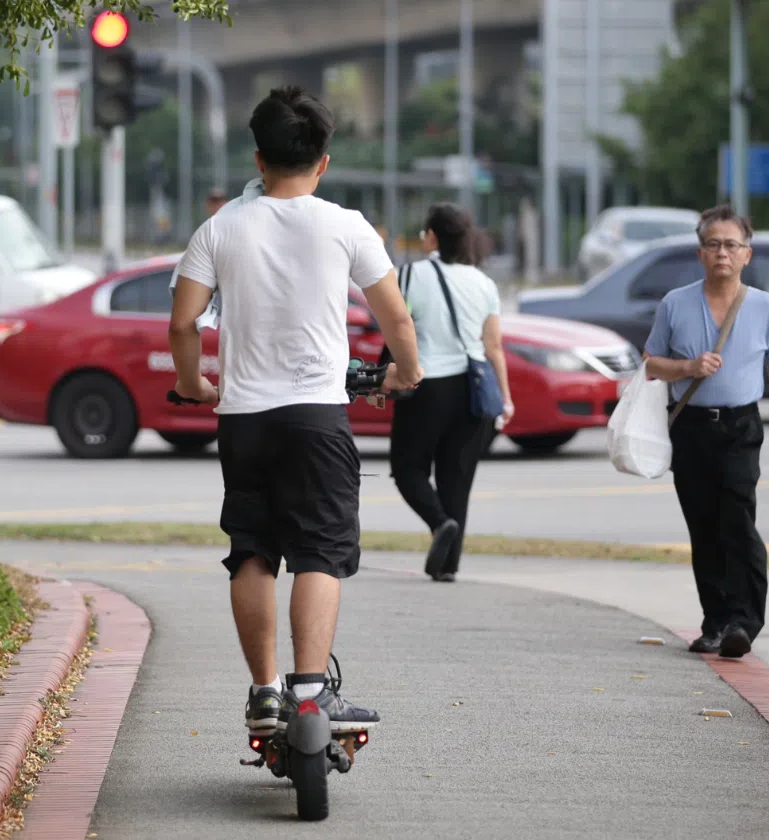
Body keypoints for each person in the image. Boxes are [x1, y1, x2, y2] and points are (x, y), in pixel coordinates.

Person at [168, 85, 424, 736]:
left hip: (243, 417)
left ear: (259, 160)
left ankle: (264, 692)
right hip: (316, 415)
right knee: (320, 552)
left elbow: (183, 323)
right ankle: (312, 692)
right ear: (323, 161)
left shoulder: (218, 228)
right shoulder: (345, 226)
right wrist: (408, 372)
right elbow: (393, 314)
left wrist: (196, 384)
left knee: (251, 551)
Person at [643, 204, 769, 659]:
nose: (721, 254)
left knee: (737, 520)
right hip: (690, 427)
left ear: (746, 254)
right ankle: (714, 623)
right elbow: (651, 364)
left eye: (731, 245)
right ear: (700, 253)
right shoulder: (676, 304)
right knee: (703, 527)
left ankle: (744, 622)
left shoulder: (764, 306)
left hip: (740, 426)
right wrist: (688, 367)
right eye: (712, 245)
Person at [387, 203, 512, 582]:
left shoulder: (409, 274)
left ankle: (440, 523)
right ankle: (448, 565)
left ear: (433, 237)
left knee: (408, 468)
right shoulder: (483, 283)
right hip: (473, 390)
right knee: (457, 479)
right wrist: (506, 398)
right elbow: (493, 347)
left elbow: (398, 324)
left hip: (428, 385)